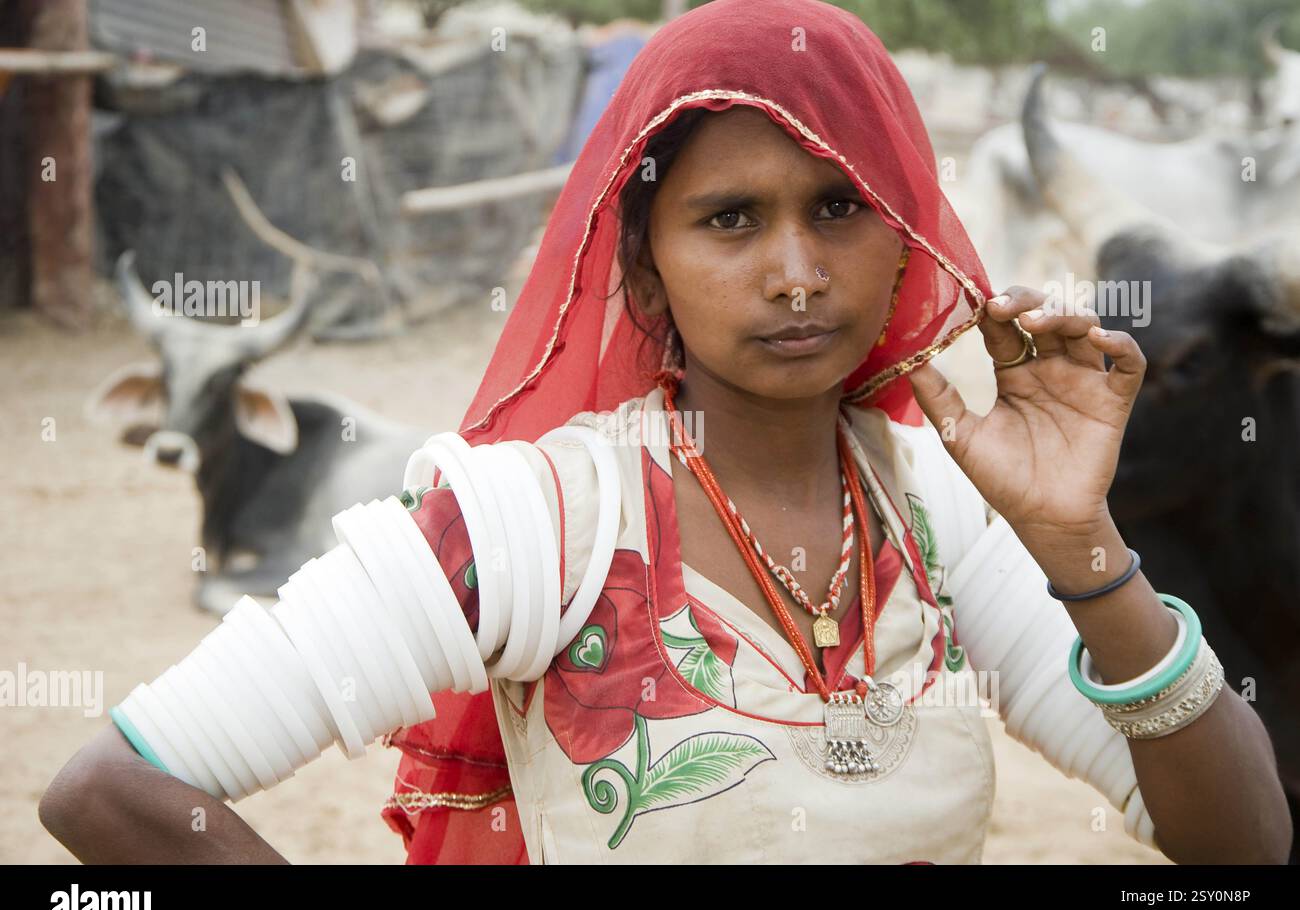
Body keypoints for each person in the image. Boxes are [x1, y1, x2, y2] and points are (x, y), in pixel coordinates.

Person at [39, 0, 1291, 865]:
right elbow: (112, 790)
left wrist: (1082, 545)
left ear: (903, 241)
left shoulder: (947, 520)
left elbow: (1238, 844)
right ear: (644, 278)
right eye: (731, 220)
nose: (796, 270)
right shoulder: (531, 526)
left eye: (840, 206)